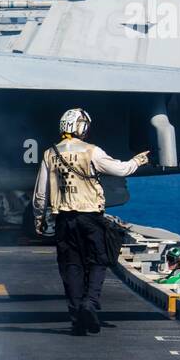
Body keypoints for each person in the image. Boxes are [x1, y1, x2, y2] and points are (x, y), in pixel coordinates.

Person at [32, 108, 149, 335]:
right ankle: (90, 303)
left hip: (64, 221)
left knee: (71, 267)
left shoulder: (50, 153)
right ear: (82, 127)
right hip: (90, 218)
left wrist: (38, 219)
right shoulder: (92, 152)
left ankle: (77, 319)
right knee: (99, 260)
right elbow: (121, 169)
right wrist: (138, 161)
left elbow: (40, 194)